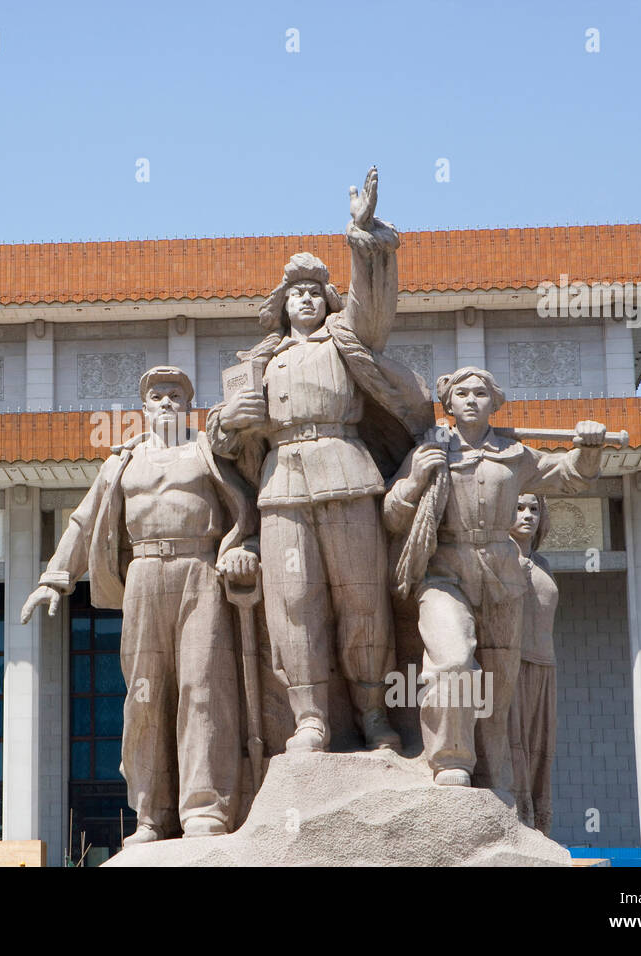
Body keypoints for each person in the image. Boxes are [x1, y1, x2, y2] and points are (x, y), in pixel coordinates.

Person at [207, 168, 432, 753]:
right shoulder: (257, 362)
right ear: (281, 306)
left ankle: (373, 714)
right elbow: (222, 440)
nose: (305, 300)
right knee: (294, 603)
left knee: (362, 599)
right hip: (281, 485)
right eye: (295, 294)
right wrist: (230, 422)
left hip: (346, 472)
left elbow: (374, 305)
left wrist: (361, 235)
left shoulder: (347, 340)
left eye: (314, 291)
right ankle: (310, 718)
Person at [20, 366, 258, 844]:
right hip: (144, 575)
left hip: (200, 569)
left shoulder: (208, 454)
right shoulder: (122, 464)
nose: (167, 402)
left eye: (175, 395)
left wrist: (240, 548)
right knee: (144, 697)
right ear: (144, 407)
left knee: (203, 689)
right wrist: (56, 577)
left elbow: (249, 508)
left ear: (188, 406)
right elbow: (84, 522)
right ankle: (152, 813)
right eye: (157, 395)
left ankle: (204, 809)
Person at [383, 367, 604, 790]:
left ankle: (494, 782)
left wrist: (588, 448)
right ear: (448, 405)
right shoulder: (430, 450)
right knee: (451, 663)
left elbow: (568, 476)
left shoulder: (514, 455)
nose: (470, 399)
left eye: (481, 393)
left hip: (502, 576)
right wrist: (413, 482)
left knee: (497, 695)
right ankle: (450, 760)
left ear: (494, 402)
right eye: (461, 393)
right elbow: (392, 517)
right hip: (444, 570)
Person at [508, 493, 558, 835]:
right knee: (516, 747)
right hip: (514, 664)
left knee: (542, 747)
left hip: (545, 664)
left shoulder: (544, 563)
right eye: (520, 507)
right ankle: (517, 820)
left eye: (535, 509)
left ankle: (540, 829)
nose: (528, 515)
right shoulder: (499, 557)